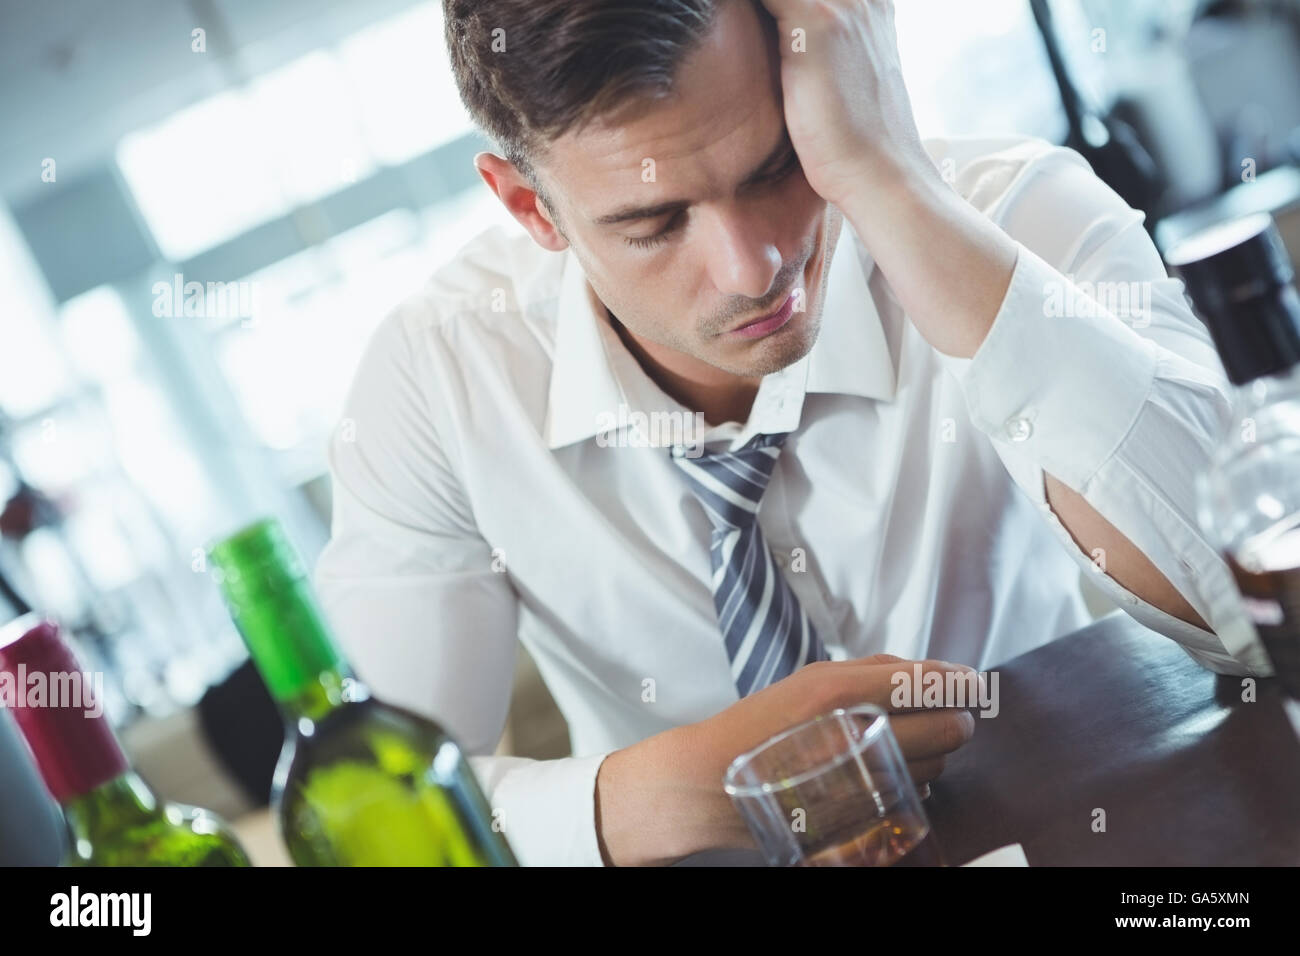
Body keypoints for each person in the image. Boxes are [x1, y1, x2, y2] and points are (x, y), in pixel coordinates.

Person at [314, 0, 1269, 865]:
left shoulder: (1009, 215)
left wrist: (885, 179)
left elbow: (1254, 619)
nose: (754, 267)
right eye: (654, 222)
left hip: (1077, 826)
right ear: (531, 208)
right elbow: (378, 819)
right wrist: (669, 793)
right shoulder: (434, 380)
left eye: (777, 165)